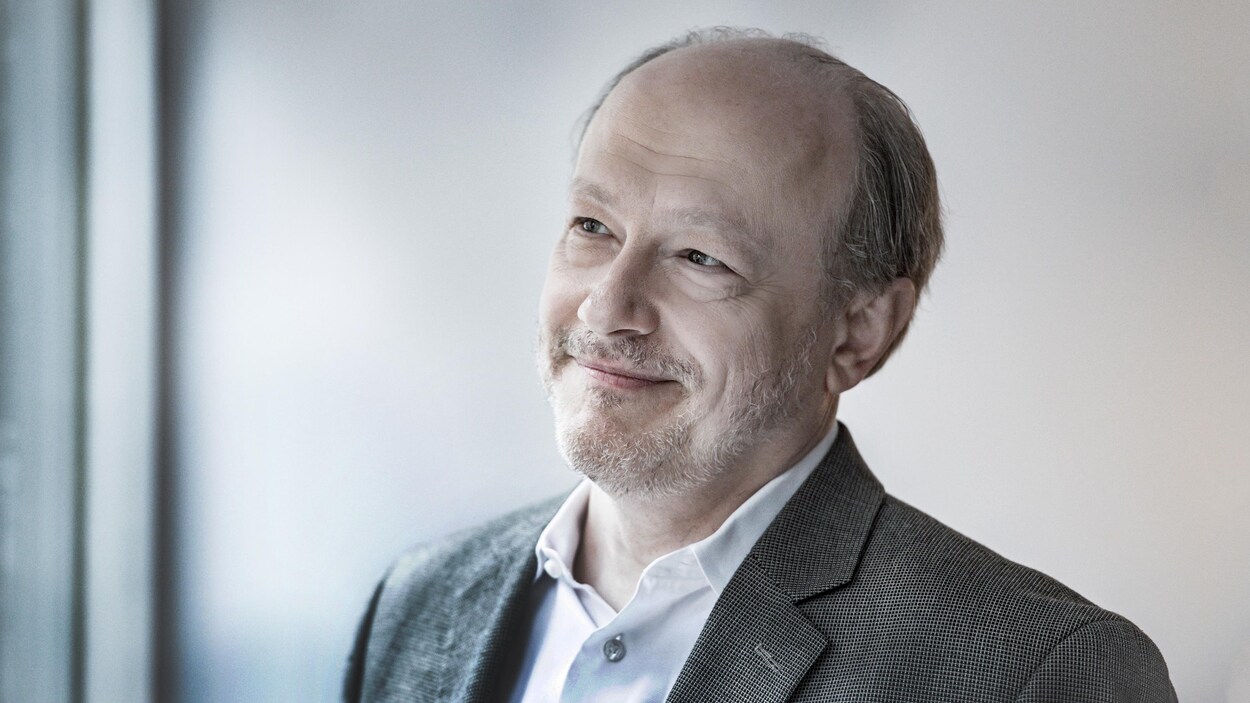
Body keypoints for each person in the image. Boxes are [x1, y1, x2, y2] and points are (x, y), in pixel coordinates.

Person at [343, 28, 1177, 702]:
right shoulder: (415, 604)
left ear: (858, 331)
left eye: (701, 257)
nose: (607, 306)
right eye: (592, 226)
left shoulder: (1039, 672)